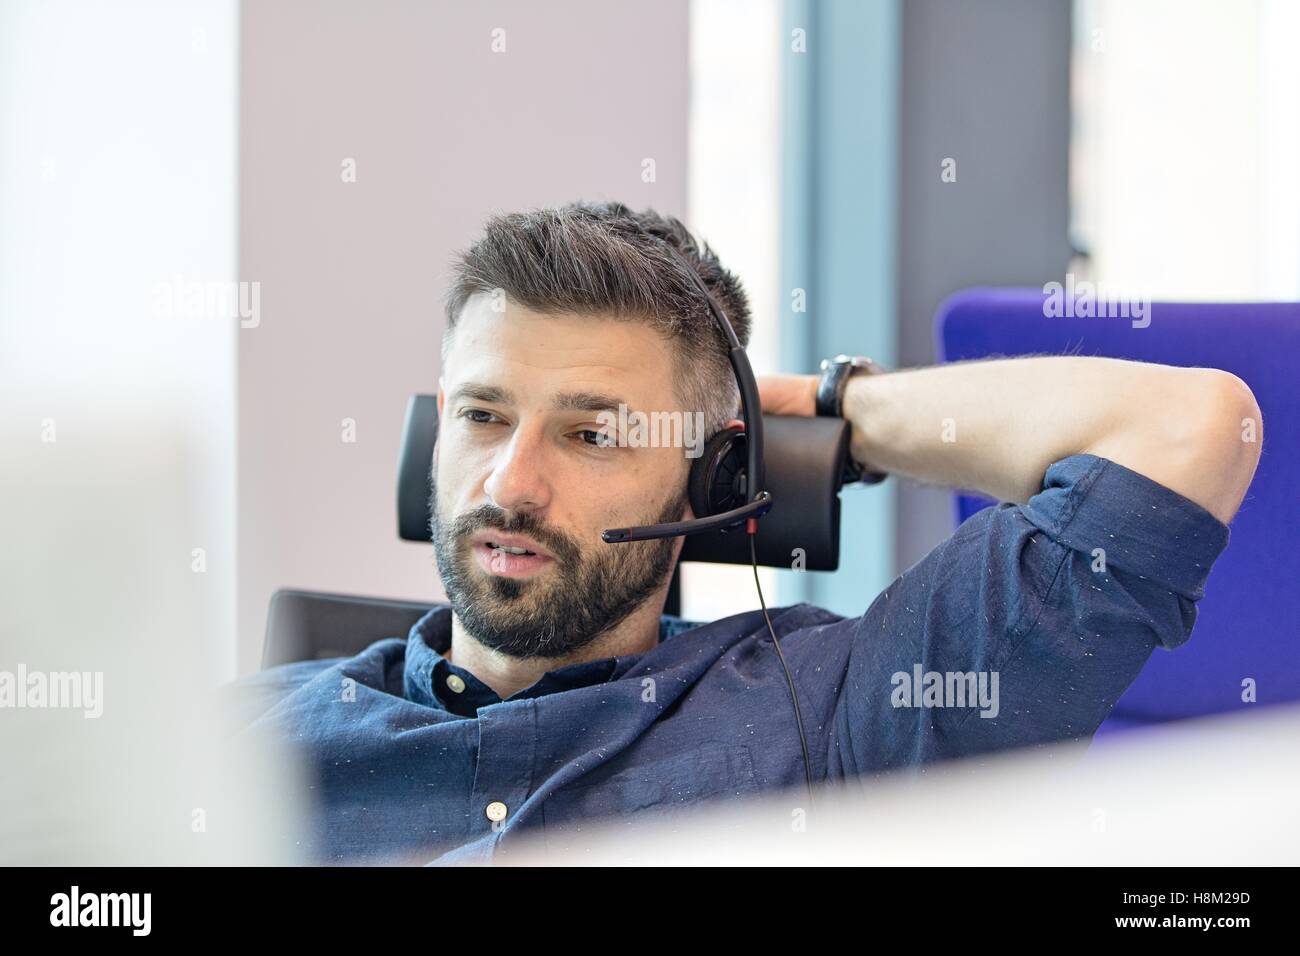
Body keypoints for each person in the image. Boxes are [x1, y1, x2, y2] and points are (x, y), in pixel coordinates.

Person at [228, 201, 1262, 864]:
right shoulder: (238, 744)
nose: (511, 481)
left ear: (715, 473)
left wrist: (835, 412)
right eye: (482, 415)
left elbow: (1191, 429)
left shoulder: (840, 715)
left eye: (593, 431)